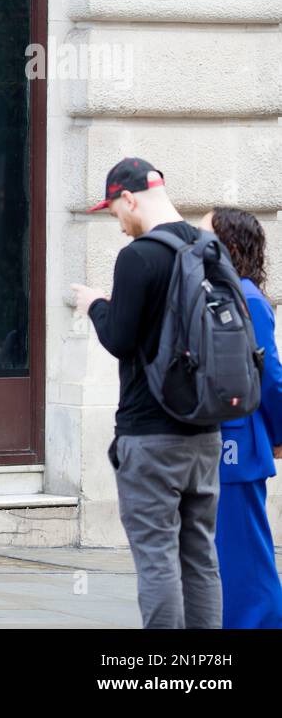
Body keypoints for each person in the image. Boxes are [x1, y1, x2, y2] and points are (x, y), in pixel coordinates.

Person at [72, 158, 222, 629]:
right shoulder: (211, 248)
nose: (117, 223)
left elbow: (120, 338)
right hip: (205, 430)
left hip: (150, 433)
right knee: (200, 556)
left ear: (130, 198)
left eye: (115, 210)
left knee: (157, 558)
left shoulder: (138, 256)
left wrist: (95, 304)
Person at [199, 207, 282, 627]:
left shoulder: (246, 299)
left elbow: (270, 379)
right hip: (216, 444)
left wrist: (280, 433)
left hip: (238, 446)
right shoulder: (218, 294)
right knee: (222, 553)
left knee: (245, 554)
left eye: (204, 237)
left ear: (229, 246)